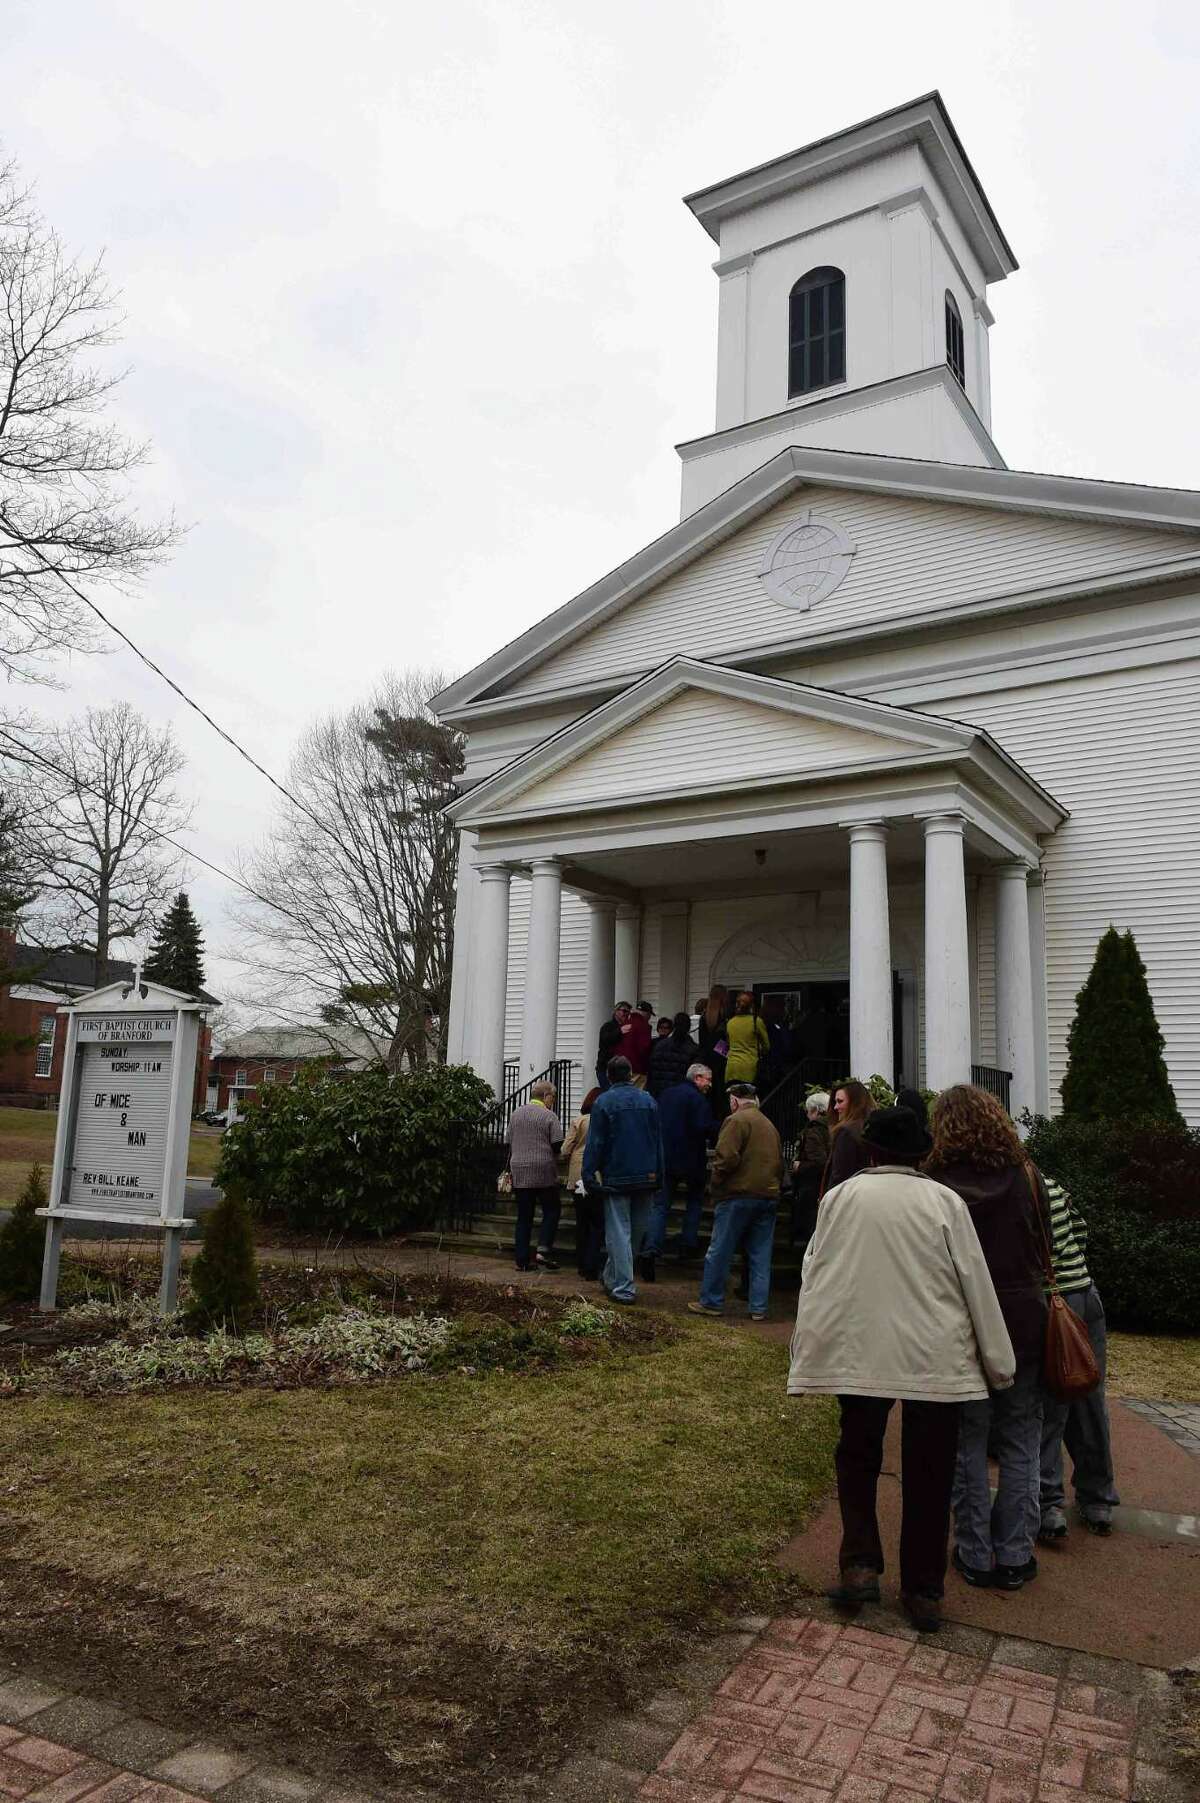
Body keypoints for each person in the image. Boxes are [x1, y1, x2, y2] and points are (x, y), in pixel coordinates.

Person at [789, 1107, 1015, 1634]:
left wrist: (806, 1347)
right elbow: (974, 1280)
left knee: (858, 1456)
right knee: (930, 1472)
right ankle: (923, 1590)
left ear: (870, 1150)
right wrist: (998, 1363)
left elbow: (815, 1270)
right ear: (922, 1153)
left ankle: (861, 1564)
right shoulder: (944, 1201)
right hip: (934, 1357)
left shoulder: (839, 1199)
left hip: (858, 1350)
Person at [926, 1084, 1048, 1592]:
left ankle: (975, 1552)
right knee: (1021, 1437)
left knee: (968, 1441)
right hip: (1023, 1314)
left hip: (965, 1319)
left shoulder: (934, 1180)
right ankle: (1016, 1552)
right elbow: (1044, 1239)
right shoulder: (1026, 1173)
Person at [1038, 1177, 1120, 1540]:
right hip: (1084, 1293)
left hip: (1050, 1302)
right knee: (1089, 1398)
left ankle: (1047, 1502)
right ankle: (1097, 1498)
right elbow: (1080, 1232)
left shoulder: (1006, 1185)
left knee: (1049, 1406)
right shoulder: (1052, 1184)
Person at [688, 1082, 782, 1322]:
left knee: (720, 1250)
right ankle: (758, 1308)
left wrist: (716, 1185)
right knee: (760, 1255)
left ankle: (711, 1301)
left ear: (735, 1101)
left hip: (738, 1195)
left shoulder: (736, 1121)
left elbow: (725, 1158)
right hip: (767, 1195)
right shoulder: (770, 1125)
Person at [582, 1055, 664, 1304]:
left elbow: (596, 1143)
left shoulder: (603, 1102)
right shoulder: (648, 1101)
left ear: (609, 1075)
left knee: (619, 1233)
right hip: (647, 1175)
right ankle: (612, 1278)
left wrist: (588, 1173)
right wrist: (660, 1174)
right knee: (636, 1234)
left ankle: (623, 1288)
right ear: (630, 1075)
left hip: (617, 1176)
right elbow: (657, 1140)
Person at [644, 1062, 714, 1264]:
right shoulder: (698, 1100)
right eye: (707, 1080)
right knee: (694, 1203)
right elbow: (703, 1127)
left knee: (660, 1205)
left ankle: (652, 1247)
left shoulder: (666, 1095)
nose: (709, 1084)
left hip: (666, 1157)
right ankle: (687, 1245)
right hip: (692, 1159)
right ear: (697, 1078)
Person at [505, 1080, 564, 1272]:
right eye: (552, 1097)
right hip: (543, 1170)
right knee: (552, 1209)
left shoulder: (515, 1114)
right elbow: (557, 1144)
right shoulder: (549, 1116)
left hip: (520, 1169)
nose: (553, 1101)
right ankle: (543, 1249)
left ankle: (522, 1261)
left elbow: (508, 1141)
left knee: (524, 1216)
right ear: (546, 1096)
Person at [560, 1088, 604, 1281]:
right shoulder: (604, 1120)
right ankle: (592, 1265)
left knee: (582, 1221)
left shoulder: (578, 1121)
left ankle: (581, 1263)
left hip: (578, 1172)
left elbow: (565, 1148)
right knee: (597, 1222)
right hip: (597, 1173)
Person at [790, 1090, 830, 1250]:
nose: (807, 1115)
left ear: (815, 1110)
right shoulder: (835, 1127)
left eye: (808, 1111)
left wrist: (800, 1166)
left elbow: (819, 1162)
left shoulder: (814, 1130)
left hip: (811, 1189)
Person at [821, 1079, 874, 1194]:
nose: (835, 1107)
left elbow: (839, 1176)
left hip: (846, 1199)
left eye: (840, 1101)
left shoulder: (846, 1132)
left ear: (854, 1103)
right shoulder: (870, 1127)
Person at [647, 1010, 700, 1099]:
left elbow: (651, 1072)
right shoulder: (693, 1049)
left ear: (674, 1026)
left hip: (659, 1094)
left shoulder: (659, 1046)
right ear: (689, 1027)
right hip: (681, 1097)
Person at [724, 991, 770, 1089]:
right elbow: (767, 1046)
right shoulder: (756, 1021)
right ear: (751, 1005)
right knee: (747, 1101)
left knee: (733, 1100)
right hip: (749, 1069)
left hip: (731, 1068)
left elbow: (728, 1043)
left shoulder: (730, 1022)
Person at [698, 984, 729, 1116]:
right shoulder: (724, 1018)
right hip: (720, 1061)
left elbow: (703, 1041)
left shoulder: (704, 1017)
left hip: (706, 1059)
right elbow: (721, 1042)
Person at [596, 1002, 632, 1090]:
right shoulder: (607, 1026)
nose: (626, 1014)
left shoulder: (627, 1027)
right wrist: (620, 1031)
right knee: (609, 1093)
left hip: (620, 1069)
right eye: (623, 1011)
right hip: (605, 1068)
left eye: (628, 1012)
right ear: (616, 1011)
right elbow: (606, 1039)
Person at [623, 1001, 654, 1087]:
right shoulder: (644, 1026)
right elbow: (644, 1048)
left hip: (622, 1067)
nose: (649, 1017)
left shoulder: (625, 1023)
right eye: (649, 1015)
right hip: (637, 1068)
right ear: (646, 1013)